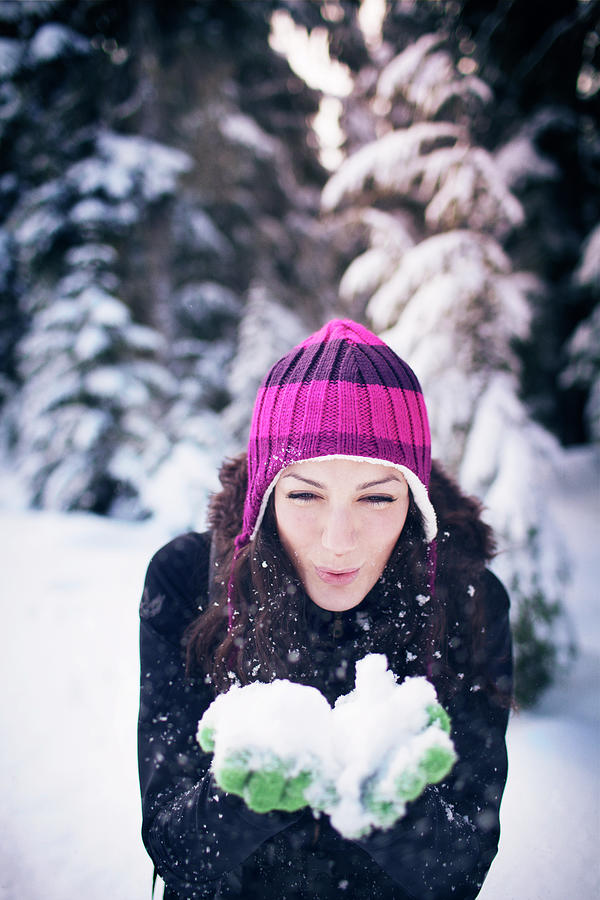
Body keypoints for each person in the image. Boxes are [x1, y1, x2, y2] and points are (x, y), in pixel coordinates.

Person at [138, 319, 513, 900]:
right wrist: (245, 792)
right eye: (305, 494)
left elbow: (460, 872)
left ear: (413, 504)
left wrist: (392, 804)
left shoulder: (467, 601)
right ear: (266, 493)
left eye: (378, 498)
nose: (339, 540)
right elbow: (173, 847)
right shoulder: (189, 581)